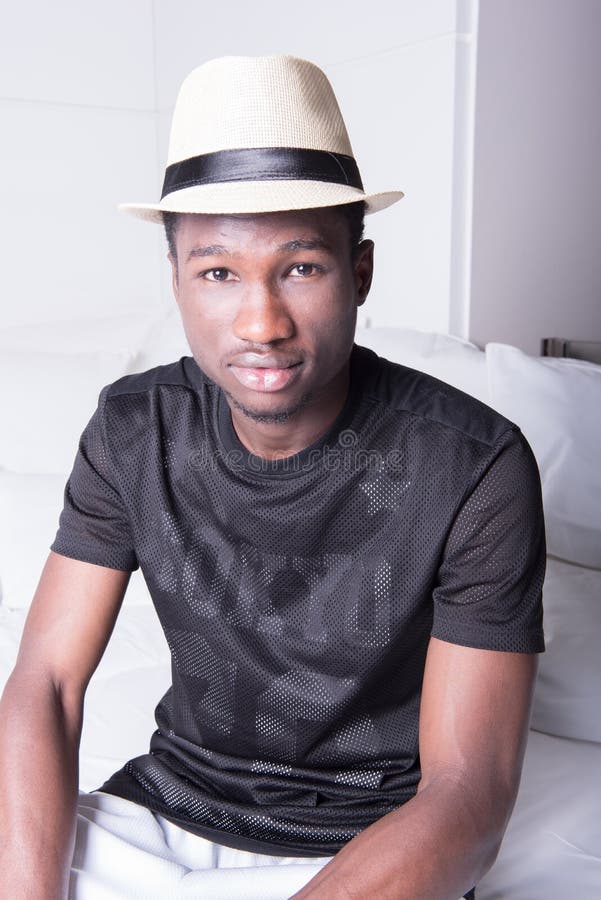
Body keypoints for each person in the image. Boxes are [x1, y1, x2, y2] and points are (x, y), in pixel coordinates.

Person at [0, 55, 545, 900]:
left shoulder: (472, 465)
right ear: (177, 281)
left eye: (301, 267)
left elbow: (468, 793)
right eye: (218, 272)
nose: (261, 322)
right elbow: (46, 683)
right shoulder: (133, 428)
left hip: (360, 853)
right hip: (157, 816)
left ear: (358, 274)